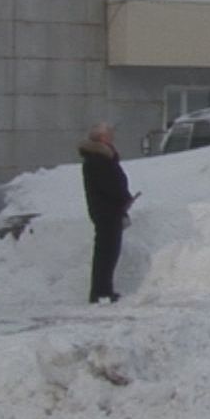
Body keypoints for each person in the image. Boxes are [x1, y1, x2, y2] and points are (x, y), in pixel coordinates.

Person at [79, 121, 135, 304]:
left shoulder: (100, 157)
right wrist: (124, 198)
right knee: (106, 253)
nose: (112, 137)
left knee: (108, 252)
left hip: (108, 209)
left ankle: (103, 289)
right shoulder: (98, 159)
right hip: (106, 211)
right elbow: (110, 185)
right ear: (102, 138)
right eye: (109, 134)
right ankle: (101, 291)